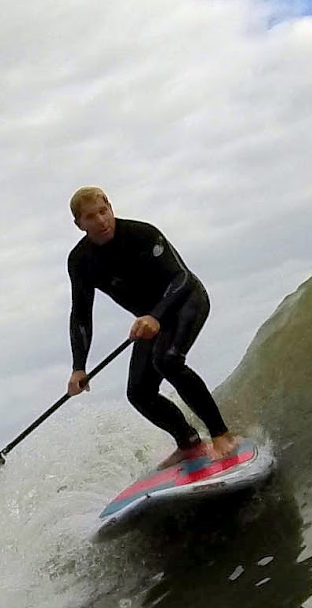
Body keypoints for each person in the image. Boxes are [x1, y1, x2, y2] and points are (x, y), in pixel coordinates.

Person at [66, 186, 238, 465]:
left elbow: (180, 277)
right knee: (139, 392)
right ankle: (189, 443)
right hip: (151, 319)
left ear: (110, 206)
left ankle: (222, 435)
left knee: (168, 360)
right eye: (90, 217)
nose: (101, 220)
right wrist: (79, 367)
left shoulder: (142, 234)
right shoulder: (80, 261)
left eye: (103, 211)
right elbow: (81, 313)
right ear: (79, 224)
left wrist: (156, 315)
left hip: (185, 301)